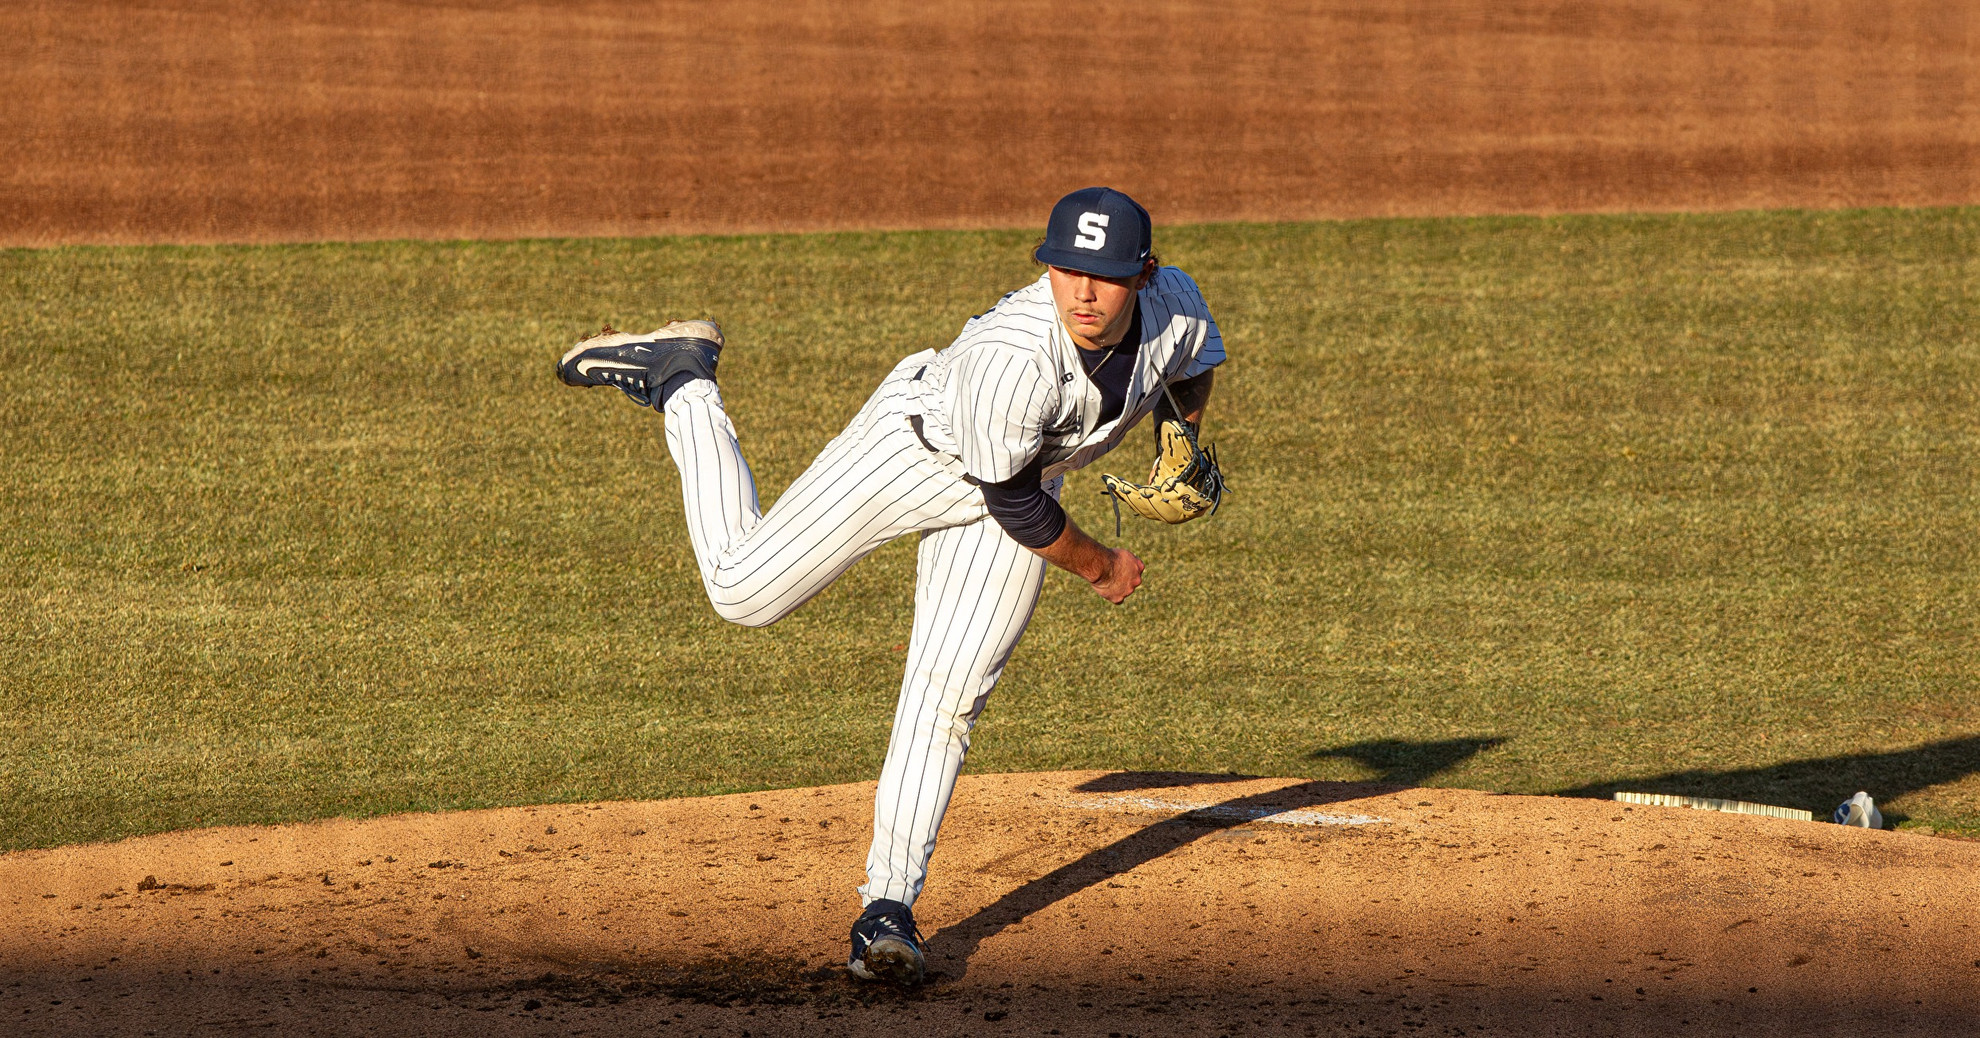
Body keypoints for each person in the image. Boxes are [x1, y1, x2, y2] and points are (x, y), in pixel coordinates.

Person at [556, 186, 1225, 986]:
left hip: (1017, 485)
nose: (1084, 292)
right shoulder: (1015, 358)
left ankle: (888, 909)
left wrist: (1179, 435)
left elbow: (1192, 365)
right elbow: (1013, 504)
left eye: (1106, 276)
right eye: (1067, 270)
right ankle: (682, 378)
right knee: (741, 590)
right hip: (916, 452)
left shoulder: (1175, 305)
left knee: (950, 694)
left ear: (1143, 276)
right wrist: (1105, 567)